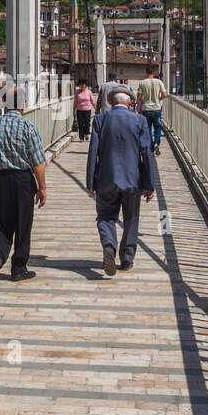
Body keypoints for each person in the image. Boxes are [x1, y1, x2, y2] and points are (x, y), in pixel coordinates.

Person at [0, 91, 47, 284]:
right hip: (22, 181)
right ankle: (19, 268)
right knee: (23, 225)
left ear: (5, 105)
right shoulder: (27, 126)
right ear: (22, 104)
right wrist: (42, 188)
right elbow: (38, 161)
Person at [86, 89, 156, 276]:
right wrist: (150, 184)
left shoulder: (100, 120)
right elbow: (146, 153)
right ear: (131, 102)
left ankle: (109, 245)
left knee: (106, 215)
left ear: (110, 101)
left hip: (106, 178)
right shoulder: (139, 121)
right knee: (131, 217)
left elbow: (93, 151)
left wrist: (90, 181)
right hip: (133, 179)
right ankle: (127, 258)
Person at [136, 65, 168, 155]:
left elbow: (139, 97)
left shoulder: (142, 83)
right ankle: (157, 143)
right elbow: (165, 95)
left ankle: (150, 146)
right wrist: (159, 99)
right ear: (154, 73)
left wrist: (139, 109)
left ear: (146, 72)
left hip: (146, 108)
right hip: (156, 108)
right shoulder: (159, 82)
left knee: (148, 128)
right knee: (158, 127)